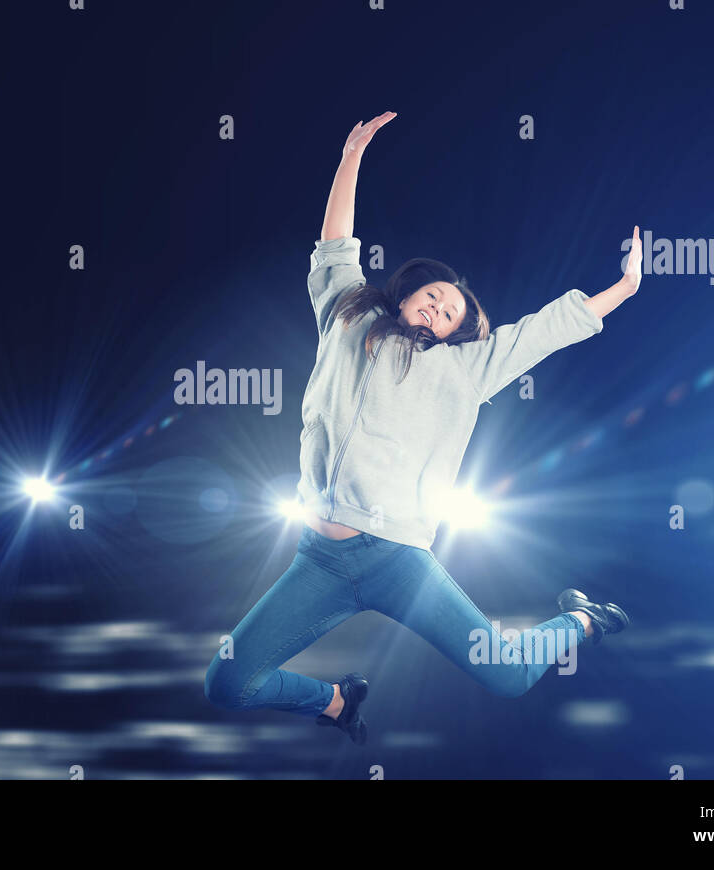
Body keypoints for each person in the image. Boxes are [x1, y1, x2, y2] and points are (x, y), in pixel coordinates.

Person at [204, 111, 633, 745]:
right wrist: (350, 157)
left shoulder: (467, 369)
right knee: (226, 683)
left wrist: (622, 288)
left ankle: (583, 621)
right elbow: (335, 246)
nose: (437, 306)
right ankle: (335, 703)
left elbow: (545, 330)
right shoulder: (345, 318)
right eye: (431, 295)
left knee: (508, 676)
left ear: (457, 330)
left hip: (397, 557)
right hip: (319, 560)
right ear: (404, 296)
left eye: (451, 310)